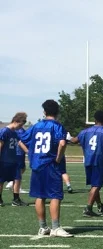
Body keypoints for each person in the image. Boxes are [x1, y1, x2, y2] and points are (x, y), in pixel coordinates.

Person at [18, 100, 72, 237]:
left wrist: (30, 154)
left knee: (40, 196)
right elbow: (62, 143)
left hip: (37, 165)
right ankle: (55, 227)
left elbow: (21, 141)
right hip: (50, 164)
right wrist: (59, 157)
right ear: (57, 112)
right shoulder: (57, 126)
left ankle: (43, 227)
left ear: (44, 112)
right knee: (55, 195)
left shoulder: (36, 126)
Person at [71, 111, 103, 217]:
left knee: (94, 185)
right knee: (96, 185)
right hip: (99, 160)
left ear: (94, 119)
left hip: (88, 160)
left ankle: (100, 205)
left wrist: (67, 136)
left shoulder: (85, 131)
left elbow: (74, 140)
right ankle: (88, 208)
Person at [0, 113, 28, 207]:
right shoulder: (4, 131)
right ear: (15, 121)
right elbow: (0, 145)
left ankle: (16, 199)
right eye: (20, 125)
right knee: (1, 180)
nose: (20, 127)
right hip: (4, 160)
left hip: (14, 160)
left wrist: (28, 152)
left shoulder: (15, 132)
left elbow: (20, 142)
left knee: (17, 179)